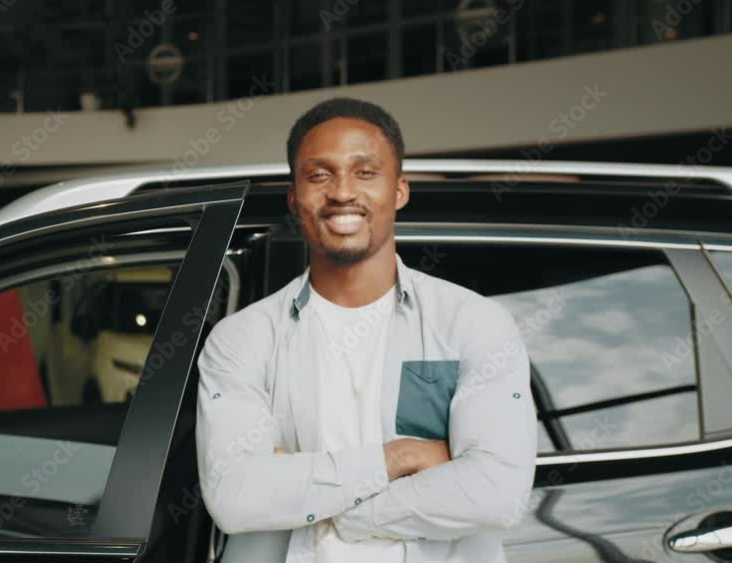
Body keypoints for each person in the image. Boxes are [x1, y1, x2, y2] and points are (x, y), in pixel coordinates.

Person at [195, 97, 537, 563]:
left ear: (399, 191)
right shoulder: (241, 341)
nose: (341, 192)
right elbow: (235, 498)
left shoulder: (473, 324)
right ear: (295, 199)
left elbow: (497, 491)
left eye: (365, 172)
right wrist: (400, 458)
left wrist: (332, 507)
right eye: (319, 175)